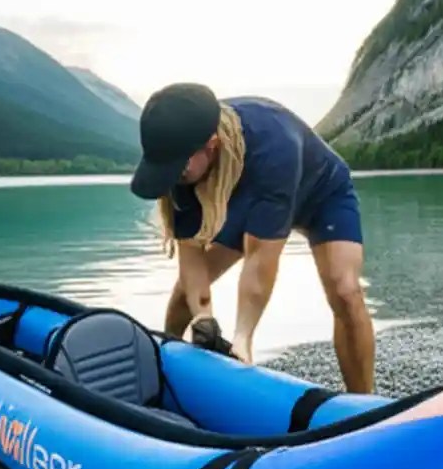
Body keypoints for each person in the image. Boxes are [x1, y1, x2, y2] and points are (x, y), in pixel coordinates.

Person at [128, 82, 375, 394]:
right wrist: (204, 318)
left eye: (178, 166)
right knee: (184, 296)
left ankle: (364, 400)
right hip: (243, 189)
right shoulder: (182, 167)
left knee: (345, 291)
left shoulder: (274, 144)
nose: (172, 175)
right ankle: (165, 377)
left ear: (211, 144)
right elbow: (191, 258)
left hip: (321, 194)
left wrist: (242, 340)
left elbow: (260, 259)